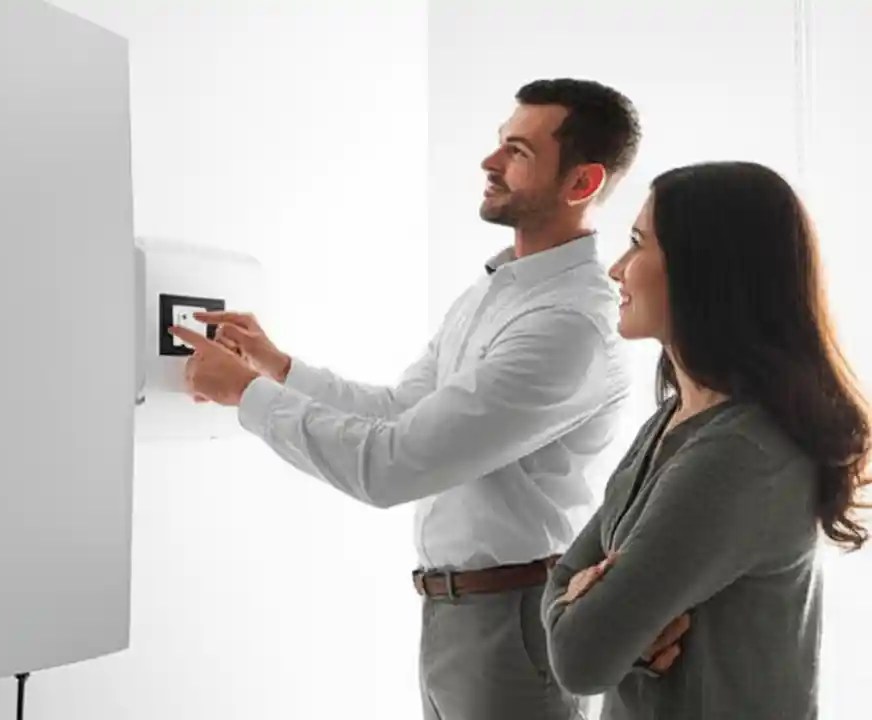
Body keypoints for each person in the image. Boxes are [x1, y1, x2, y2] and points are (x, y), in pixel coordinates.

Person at [170, 78, 642, 719]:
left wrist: (247, 394)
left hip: (513, 624)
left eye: (519, 151)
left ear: (581, 184)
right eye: (500, 142)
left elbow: (394, 466)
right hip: (455, 616)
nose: (490, 161)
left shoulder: (570, 325)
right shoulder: (496, 291)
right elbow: (400, 411)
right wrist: (277, 368)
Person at [540, 161, 871, 719]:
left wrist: (597, 621)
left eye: (637, 243)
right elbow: (564, 583)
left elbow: (580, 658)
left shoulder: (739, 456)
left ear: (703, 270)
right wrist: (581, 611)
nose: (616, 270)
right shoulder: (674, 419)